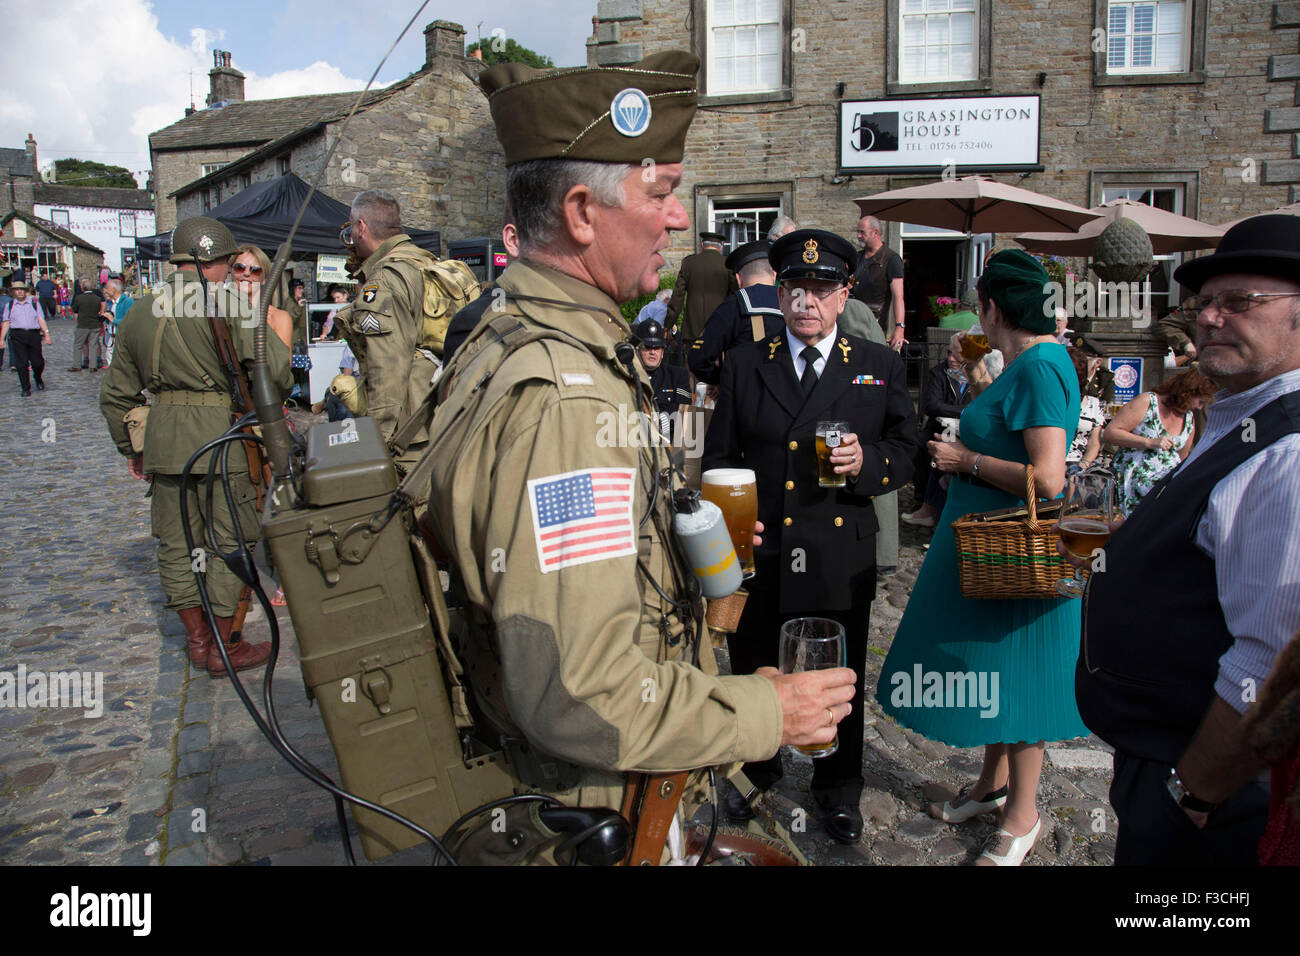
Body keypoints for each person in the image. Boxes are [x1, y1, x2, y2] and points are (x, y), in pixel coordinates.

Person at [425, 52, 856, 863]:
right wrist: (768, 714)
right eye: (660, 194)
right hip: (598, 807)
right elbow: (575, 692)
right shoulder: (569, 402)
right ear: (582, 212)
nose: (679, 221)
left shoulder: (508, 331)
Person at [1074, 214, 1300, 866]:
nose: (1210, 318)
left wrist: (1192, 792)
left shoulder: (1287, 451)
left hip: (1211, 790)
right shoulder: (1240, 417)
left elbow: (1272, 667)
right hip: (1165, 757)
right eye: (1205, 302)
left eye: (1242, 302)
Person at [703, 228, 919, 844]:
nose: (806, 302)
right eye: (795, 288)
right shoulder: (746, 364)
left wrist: (869, 464)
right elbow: (719, 458)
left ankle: (836, 789)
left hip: (834, 552)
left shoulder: (876, 365)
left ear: (844, 293)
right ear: (780, 291)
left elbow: (908, 449)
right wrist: (731, 522)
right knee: (754, 667)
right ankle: (757, 769)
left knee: (836, 677)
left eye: (821, 289)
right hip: (764, 551)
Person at [877, 249, 1088, 866]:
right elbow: (1014, 430)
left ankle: (1022, 819)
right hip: (990, 547)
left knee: (1019, 682)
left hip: (1016, 554)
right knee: (997, 674)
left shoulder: (1043, 365)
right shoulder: (1027, 363)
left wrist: (961, 461)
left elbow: (1048, 479)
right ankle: (991, 788)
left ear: (993, 308)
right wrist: (980, 395)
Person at [99, 216, 293, 677]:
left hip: (165, 443)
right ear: (211, 259)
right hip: (224, 439)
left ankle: (197, 640)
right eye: (227, 262)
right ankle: (227, 645)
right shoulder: (229, 302)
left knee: (177, 545)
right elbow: (278, 373)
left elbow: (115, 396)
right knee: (231, 543)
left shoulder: (139, 310)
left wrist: (134, 448)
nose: (230, 271)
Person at [334, 189, 464, 472]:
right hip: (438, 411)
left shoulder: (385, 278)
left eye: (352, 228)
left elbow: (387, 366)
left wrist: (379, 439)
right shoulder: (424, 260)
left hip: (408, 430)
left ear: (361, 227)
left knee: (409, 509)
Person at [1104, 368, 1216, 515]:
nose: (1199, 407)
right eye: (1200, 401)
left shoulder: (1189, 419)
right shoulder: (1148, 402)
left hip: (1162, 495)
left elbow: (1182, 458)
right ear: (1187, 392)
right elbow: (1110, 433)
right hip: (1130, 488)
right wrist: (1148, 442)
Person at [688, 239, 783, 386]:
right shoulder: (793, 305)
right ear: (774, 275)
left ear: (738, 279)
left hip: (745, 397)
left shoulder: (734, 305)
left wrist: (722, 380)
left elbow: (698, 359)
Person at [903, 332, 975, 526]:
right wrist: (963, 411)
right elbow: (932, 406)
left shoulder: (977, 377)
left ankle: (935, 509)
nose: (951, 359)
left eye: (956, 355)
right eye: (949, 353)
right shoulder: (939, 373)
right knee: (923, 447)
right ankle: (924, 501)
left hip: (965, 430)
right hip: (939, 427)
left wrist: (959, 412)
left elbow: (979, 406)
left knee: (948, 457)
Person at [664, 230, 736, 347]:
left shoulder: (689, 263)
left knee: (692, 363)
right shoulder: (727, 264)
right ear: (721, 247)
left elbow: (677, 297)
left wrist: (668, 325)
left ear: (702, 245)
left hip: (693, 329)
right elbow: (735, 296)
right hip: (720, 327)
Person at [850, 214, 905, 351]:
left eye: (862, 232)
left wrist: (899, 327)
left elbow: (898, 297)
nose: (858, 236)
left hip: (876, 324)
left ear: (876, 233)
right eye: (858, 232)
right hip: (852, 321)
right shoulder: (857, 258)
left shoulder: (891, 259)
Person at [634, 318, 692, 441]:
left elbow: (683, 412)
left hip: (666, 444)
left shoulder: (677, 376)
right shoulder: (627, 376)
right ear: (637, 349)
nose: (653, 352)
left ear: (663, 352)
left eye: (657, 347)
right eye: (647, 347)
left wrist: (654, 424)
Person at [0, 279, 52, 395]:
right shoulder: (10, 305)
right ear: (13, 292)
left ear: (25, 291)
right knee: (21, 363)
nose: (19, 292)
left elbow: (40, 319)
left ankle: (38, 377)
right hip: (17, 335)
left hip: (33, 334)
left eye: (21, 289)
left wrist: (46, 333)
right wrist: (2, 339)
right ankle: (25, 388)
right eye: (17, 290)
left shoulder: (34, 303)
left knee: (38, 362)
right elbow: (6, 322)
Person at [1065, 345, 1107, 474]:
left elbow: (1094, 443)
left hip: (1078, 468)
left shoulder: (1094, 404)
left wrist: (1082, 466)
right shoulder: (1048, 401)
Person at [70, 277, 105, 371]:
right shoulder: (97, 298)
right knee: (94, 345)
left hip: (83, 324)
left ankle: (77, 365)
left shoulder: (79, 298)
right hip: (95, 324)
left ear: (82, 288)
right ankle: (93, 366)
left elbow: (74, 309)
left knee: (78, 345)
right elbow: (100, 309)